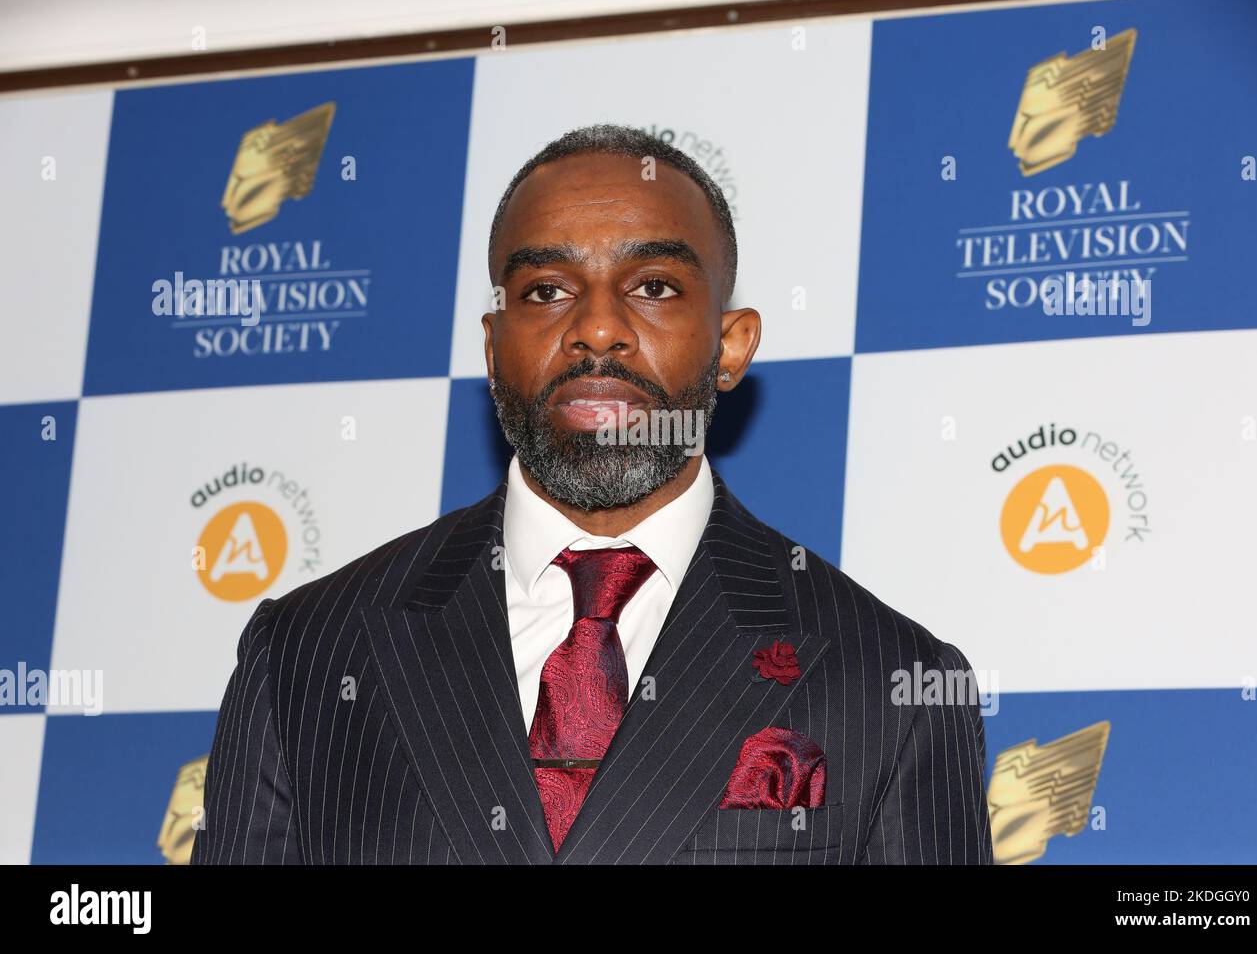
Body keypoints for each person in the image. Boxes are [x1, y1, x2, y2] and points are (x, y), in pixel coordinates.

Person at [191, 124, 993, 865]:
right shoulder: (307, 650)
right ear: (493, 344)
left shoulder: (894, 682)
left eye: (653, 286)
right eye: (545, 290)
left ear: (731, 344)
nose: (598, 327)